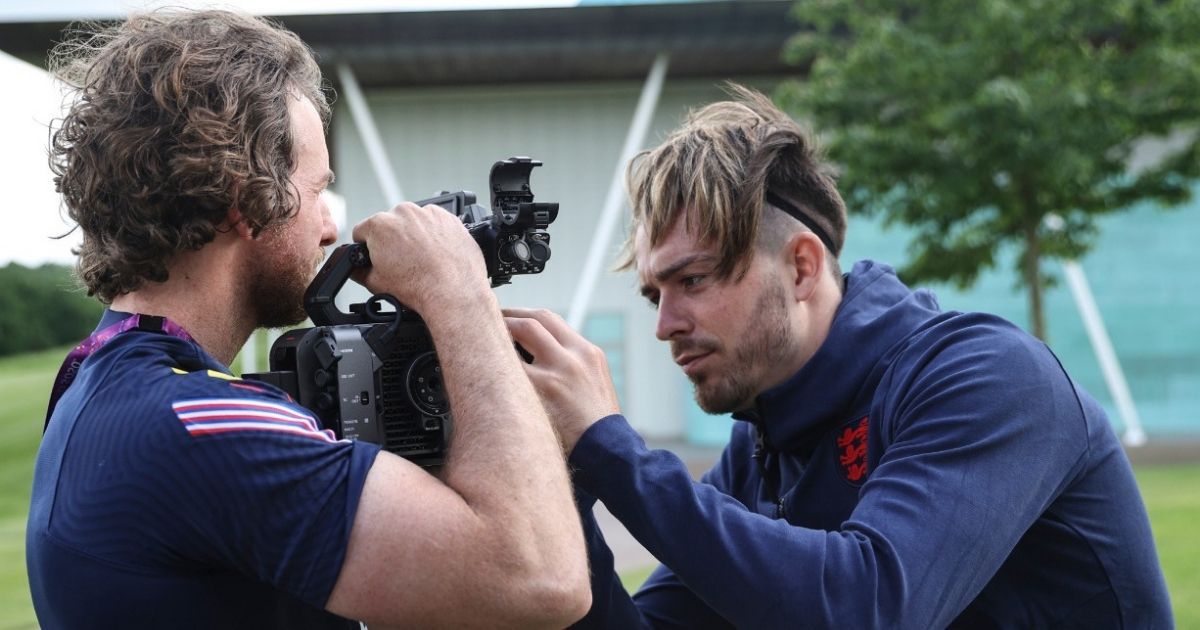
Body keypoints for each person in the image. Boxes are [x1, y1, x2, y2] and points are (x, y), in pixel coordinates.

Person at [504, 85, 1173, 628]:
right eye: (656, 295)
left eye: (694, 281)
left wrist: (611, 449)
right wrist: (567, 487)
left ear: (800, 267)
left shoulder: (986, 378)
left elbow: (870, 608)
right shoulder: (764, 445)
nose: (666, 324)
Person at [26, 10, 590, 629]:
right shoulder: (201, 426)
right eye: (318, 190)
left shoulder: (97, 382)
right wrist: (460, 294)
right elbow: (541, 580)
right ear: (246, 197)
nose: (328, 228)